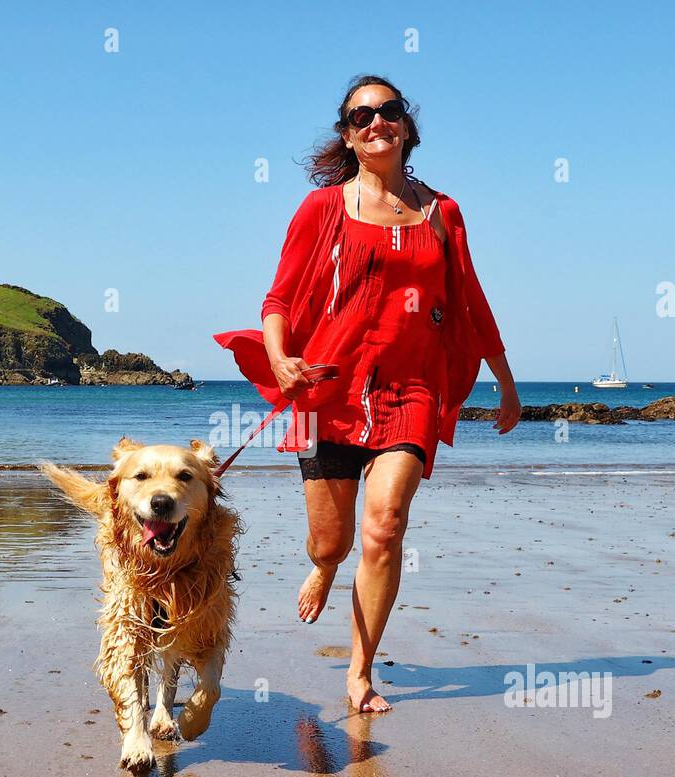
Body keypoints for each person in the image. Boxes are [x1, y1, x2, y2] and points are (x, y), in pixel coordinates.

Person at [217, 75, 522, 713]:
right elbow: (277, 298)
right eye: (361, 117)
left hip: (411, 389)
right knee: (332, 541)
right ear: (349, 136)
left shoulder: (443, 212)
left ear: (406, 126)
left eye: (387, 112)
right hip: (330, 391)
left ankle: (359, 672)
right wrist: (280, 357)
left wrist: (505, 381)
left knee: (384, 526)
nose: (376, 123)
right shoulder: (323, 208)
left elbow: (469, 300)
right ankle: (326, 566)